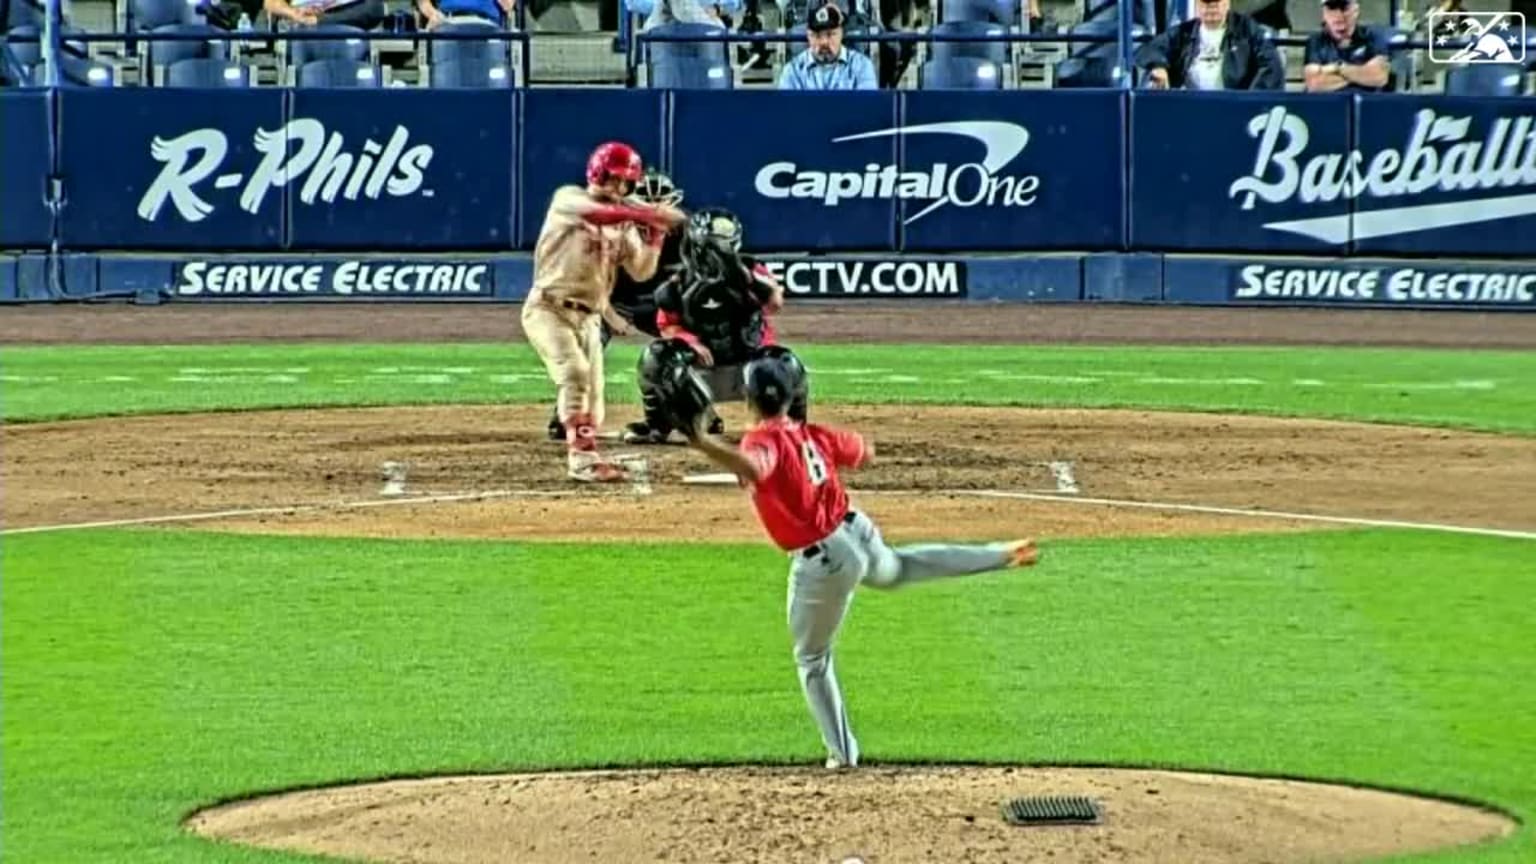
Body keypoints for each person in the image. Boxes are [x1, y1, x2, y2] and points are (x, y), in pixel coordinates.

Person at [679, 355, 1040, 769]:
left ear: (749, 398)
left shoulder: (762, 441)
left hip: (827, 559)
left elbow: (757, 469)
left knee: (812, 658)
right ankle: (999, 555)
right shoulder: (811, 434)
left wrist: (701, 441)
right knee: (899, 569)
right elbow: (863, 453)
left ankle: (843, 754)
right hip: (859, 532)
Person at [522, 141, 685, 483]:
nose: (618, 187)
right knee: (575, 375)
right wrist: (649, 213)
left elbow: (641, 271)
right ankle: (581, 460)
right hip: (549, 308)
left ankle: (586, 449)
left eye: (624, 182)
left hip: (590, 317)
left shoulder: (623, 224)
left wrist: (654, 236)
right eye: (613, 178)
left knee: (594, 401)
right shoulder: (568, 198)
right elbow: (599, 213)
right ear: (598, 173)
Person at [627, 207, 799, 444]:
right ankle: (659, 425)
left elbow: (775, 303)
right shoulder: (680, 281)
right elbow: (666, 325)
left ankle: (787, 426)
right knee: (654, 357)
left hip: (750, 371)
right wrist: (692, 342)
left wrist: (746, 278)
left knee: (784, 362)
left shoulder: (752, 271)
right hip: (700, 372)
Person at [544, 169, 688, 442]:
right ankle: (569, 417)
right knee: (587, 340)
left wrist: (680, 323)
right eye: (648, 203)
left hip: (663, 303)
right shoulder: (611, 230)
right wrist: (610, 317)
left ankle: (694, 411)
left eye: (661, 203)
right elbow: (593, 285)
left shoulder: (683, 234)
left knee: (692, 343)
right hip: (614, 302)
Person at [1135, 0, 1284, 91]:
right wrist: (1158, 66)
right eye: (1205, 3)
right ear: (1197, 6)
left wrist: (1249, 101)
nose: (1211, 8)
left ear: (1227, 3)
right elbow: (1151, 49)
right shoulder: (1184, 32)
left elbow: (1271, 63)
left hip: (1233, 106)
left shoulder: (1247, 29)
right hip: (1190, 105)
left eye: (1216, 2)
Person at [778, 2, 878, 91]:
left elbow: (867, 109)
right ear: (808, 36)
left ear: (841, 33)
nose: (824, 42)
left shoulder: (861, 67)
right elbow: (787, 110)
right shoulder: (793, 71)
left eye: (830, 34)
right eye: (817, 36)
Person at [1303, 0, 1392, 92]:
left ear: (1356, 10)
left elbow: (1379, 76)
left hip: (1367, 103)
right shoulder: (1316, 40)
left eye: (1344, 8)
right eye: (1332, 8)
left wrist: (1337, 68)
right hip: (1328, 104)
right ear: (1324, 14)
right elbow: (1314, 83)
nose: (1338, 15)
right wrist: (1362, 74)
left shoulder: (1373, 34)